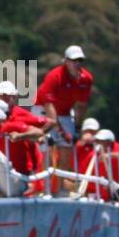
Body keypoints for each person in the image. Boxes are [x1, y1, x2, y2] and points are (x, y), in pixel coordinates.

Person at [35, 45, 93, 190]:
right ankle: (44, 188)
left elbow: (81, 106)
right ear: (65, 61)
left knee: (66, 148)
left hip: (65, 112)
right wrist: (60, 131)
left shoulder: (86, 79)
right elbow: (49, 106)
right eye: (73, 60)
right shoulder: (54, 76)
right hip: (43, 110)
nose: (77, 64)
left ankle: (60, 188)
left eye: (80, 60)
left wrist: (77, 128)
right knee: (46, 146)